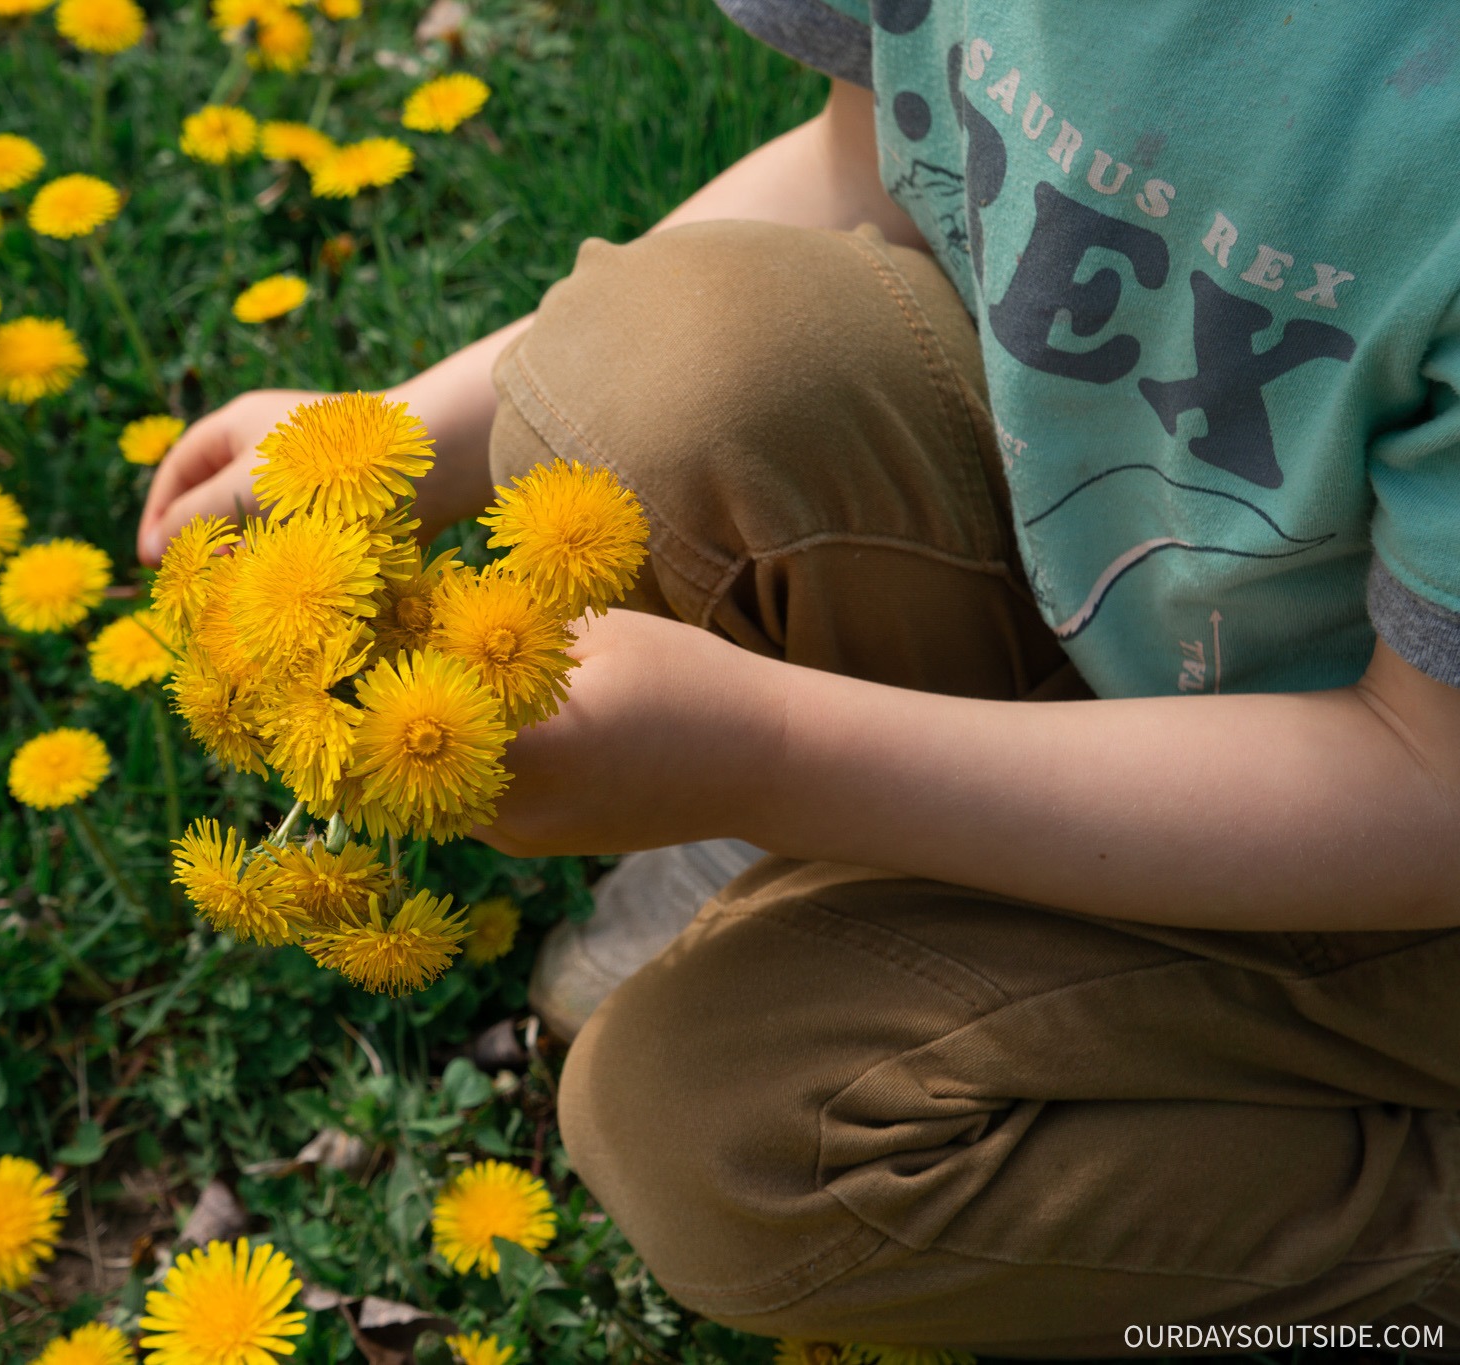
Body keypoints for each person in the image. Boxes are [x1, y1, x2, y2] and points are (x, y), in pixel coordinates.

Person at [138, 2, 1460, 1355]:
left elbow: (1431, 791)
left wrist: (769, 751)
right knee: (648, 377)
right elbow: (867, 159)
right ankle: (889, 865)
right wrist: (395, 438)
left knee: (733, 1139)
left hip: (1405, 842)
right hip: (1166, 641)